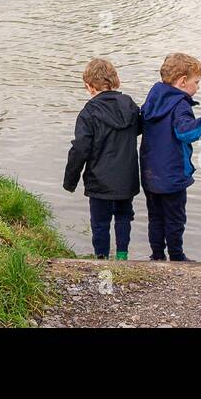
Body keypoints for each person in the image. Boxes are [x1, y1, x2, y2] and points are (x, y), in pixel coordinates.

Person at [139, 53, 201, 261]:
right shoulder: (180, 104)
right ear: (182, 81)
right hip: (172, 175)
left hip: (149, 173)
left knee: (155, 217)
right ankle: (177, 256)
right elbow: (185, 132)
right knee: (175, 218)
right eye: (196, 82)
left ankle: (156, 256)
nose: (197, 87)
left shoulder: (153, 98)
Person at [63, 58, 142, 260]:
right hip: (127, 177)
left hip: (99, 179)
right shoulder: (131, 106)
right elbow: (140, 129)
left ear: (89, 87)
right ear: (117, 81)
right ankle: (122, 256)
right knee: (124, 216)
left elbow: (80, 149)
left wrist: (70, 181)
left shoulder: (88, 113)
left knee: (100, 222)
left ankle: (101, 258)